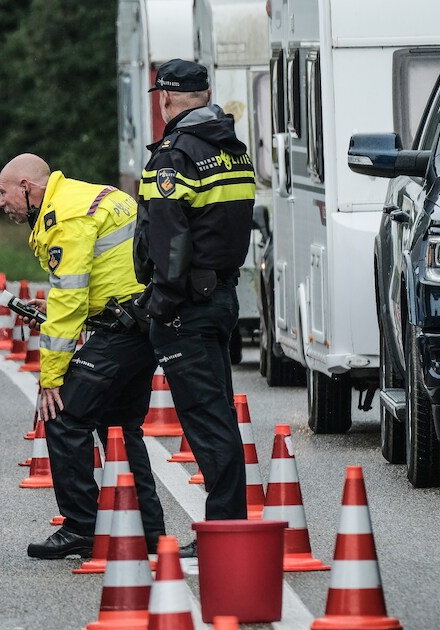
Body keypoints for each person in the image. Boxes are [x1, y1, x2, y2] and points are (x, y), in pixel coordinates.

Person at [0, 153, 168, 559]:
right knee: (121, 428)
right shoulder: (83, 197)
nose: (1, 203)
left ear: (26, 187)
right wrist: (56, 311)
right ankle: (149, 531)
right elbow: (101, 276)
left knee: (63, 416)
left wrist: (51, 376)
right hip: (141, 322)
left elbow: (71, 295)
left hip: (123, 330)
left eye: (3, 193)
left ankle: (81, 527)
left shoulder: (65, 216)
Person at [134, 59, 257, 523]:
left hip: (187, 304)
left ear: (165, 98)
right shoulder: (232, 148)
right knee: (217, 415)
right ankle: (228, 520)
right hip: (221, 295)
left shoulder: (176, 154)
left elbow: (168, 238)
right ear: (206, 94)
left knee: (207, 421)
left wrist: (161, 304)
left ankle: (225, 526)